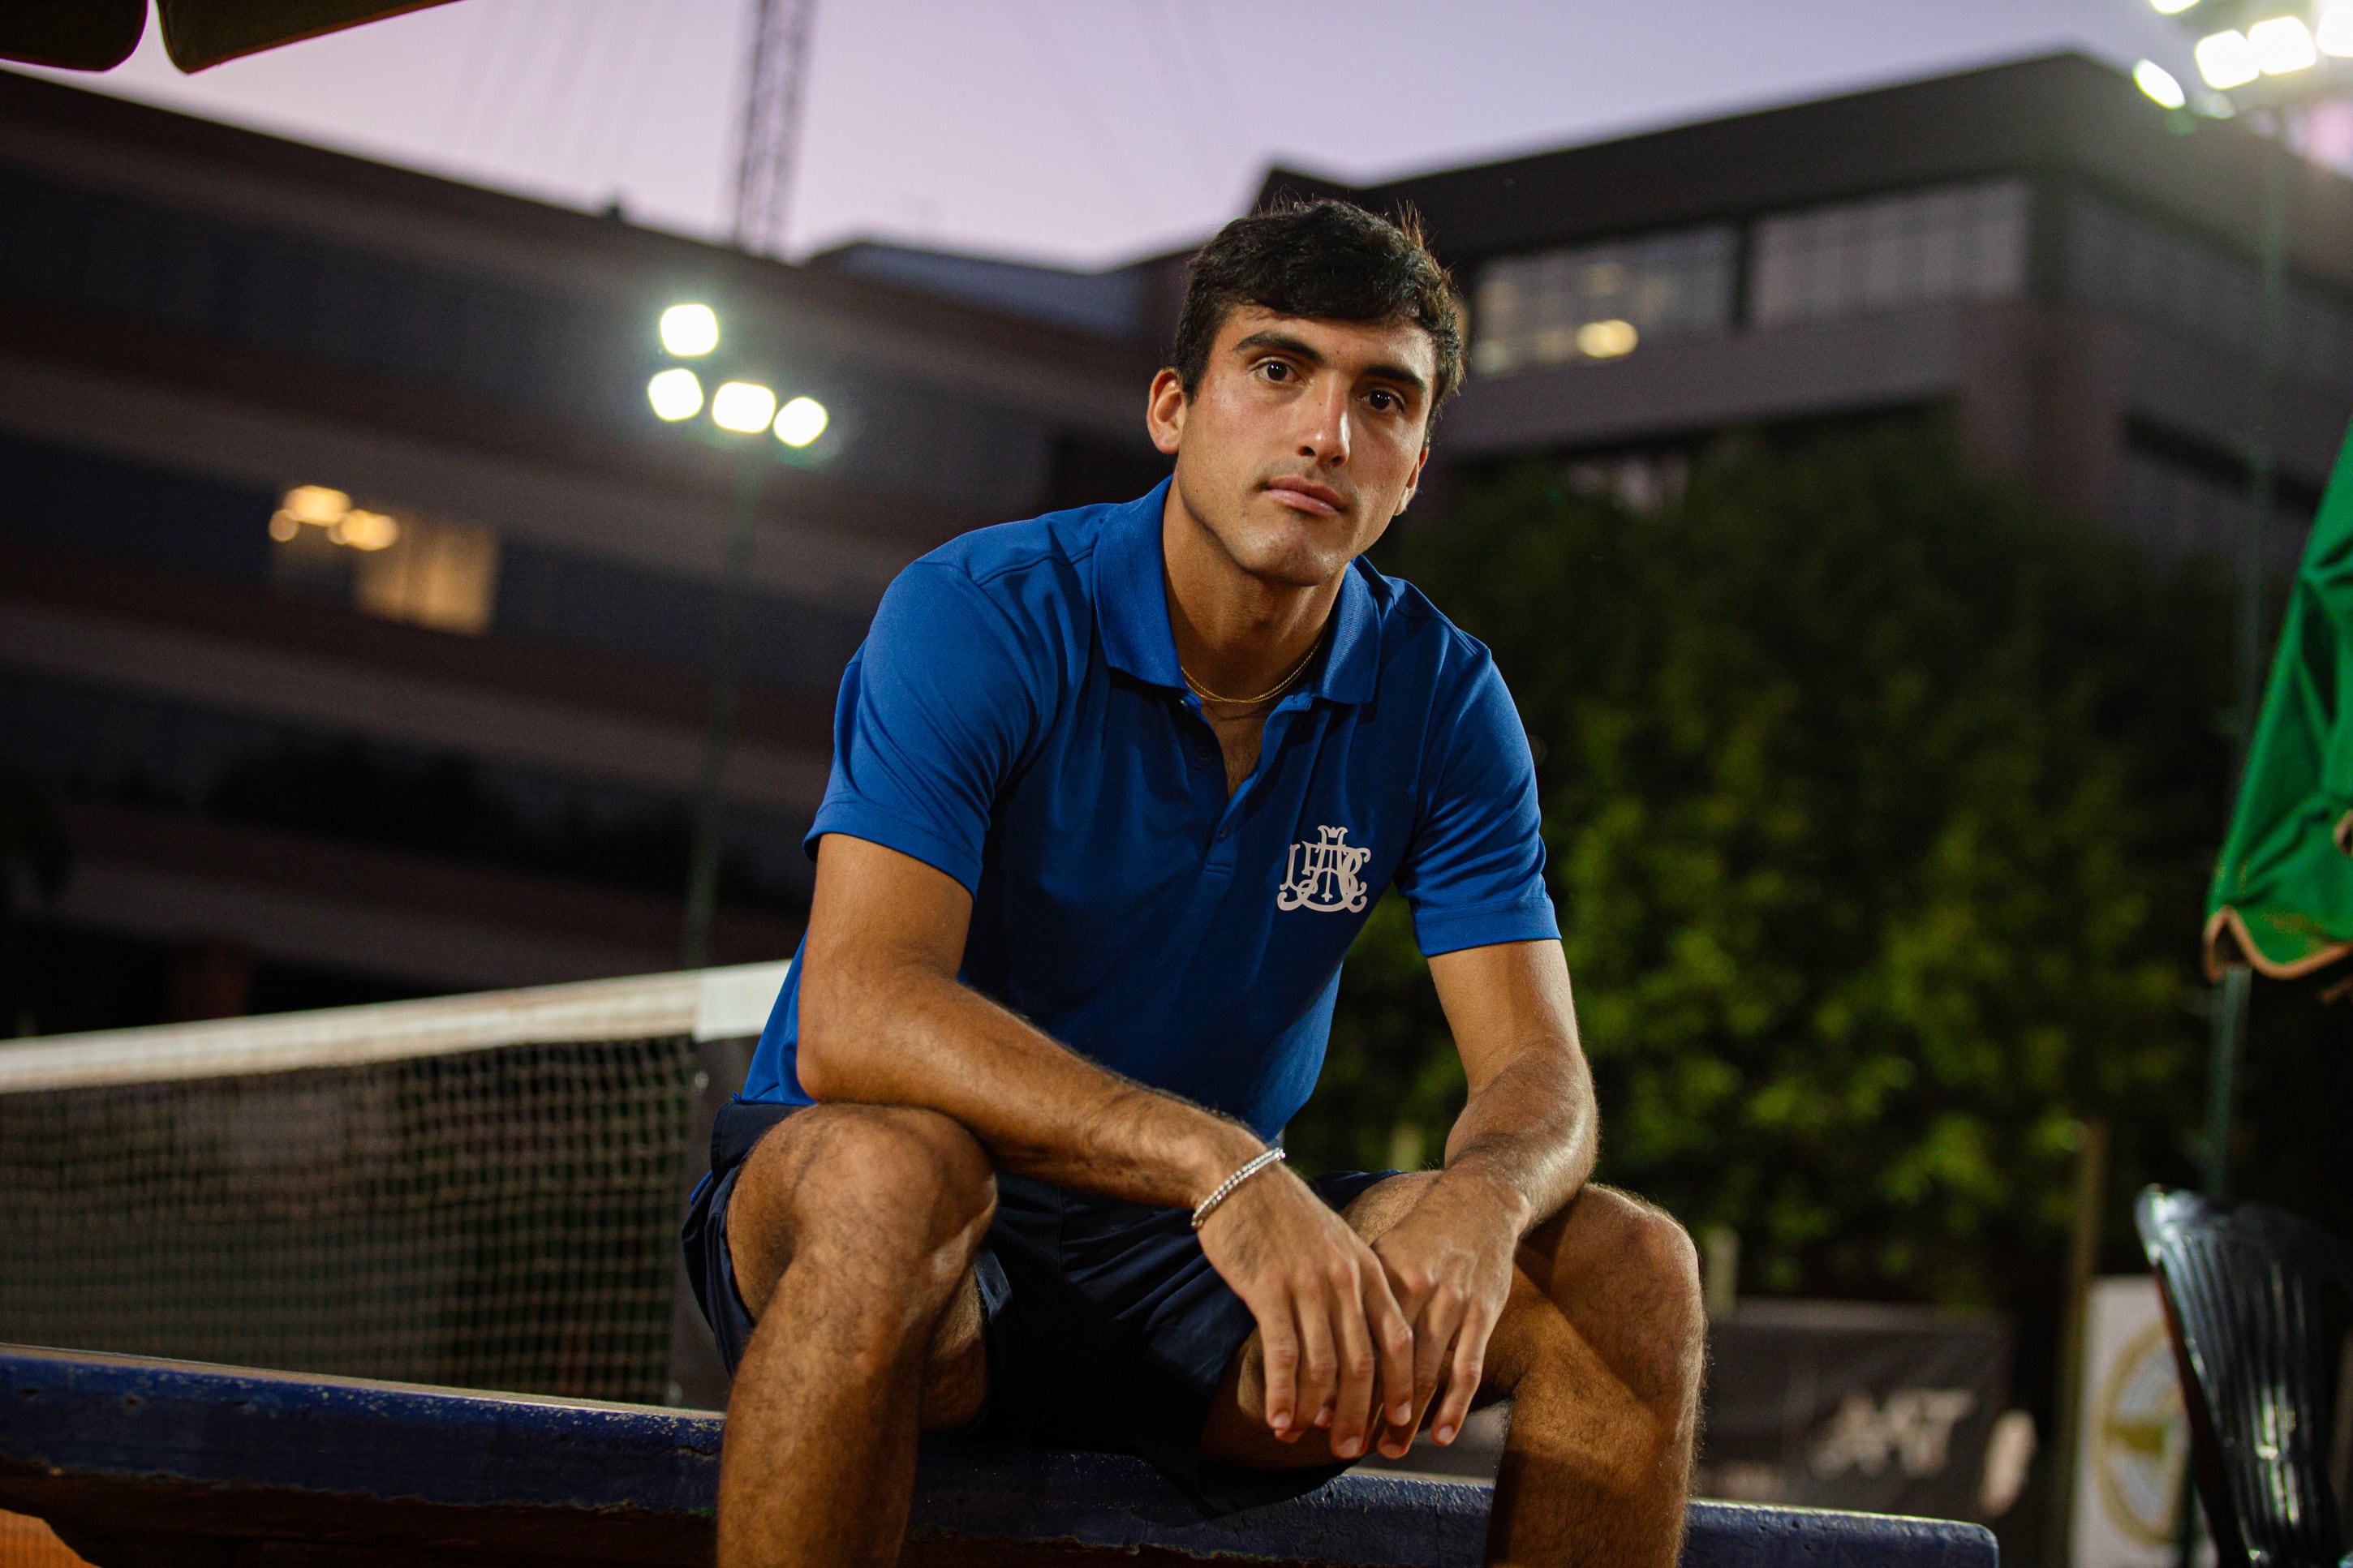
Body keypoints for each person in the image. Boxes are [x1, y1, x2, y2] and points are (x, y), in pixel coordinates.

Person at [681, 199, 1704, 1568]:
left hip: (1193, 1273)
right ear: (1173, 406)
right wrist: (1220, 1160)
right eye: (1279, 370)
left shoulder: (1445, 696)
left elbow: (1542, 1076)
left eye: (1382, 398)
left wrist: (1487, 1199)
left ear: (1413, 463)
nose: (1326, 433)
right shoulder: (982, 610)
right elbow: (857, 1014)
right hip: (898, 1241)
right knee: (892, 1174)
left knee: (1631, 1273)